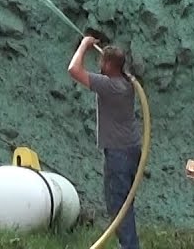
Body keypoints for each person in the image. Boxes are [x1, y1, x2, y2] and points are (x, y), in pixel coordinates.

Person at [68, 34, 142, 249]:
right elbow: (120, 69)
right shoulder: (127, 84)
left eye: (102, 62)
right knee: (125, 204)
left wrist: (84, 45)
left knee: (119, 206)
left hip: (119, 153)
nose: (99, 65)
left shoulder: (109, 86)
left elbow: (73, 69)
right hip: (131, 149)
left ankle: (129, 247)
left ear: (109, 65)